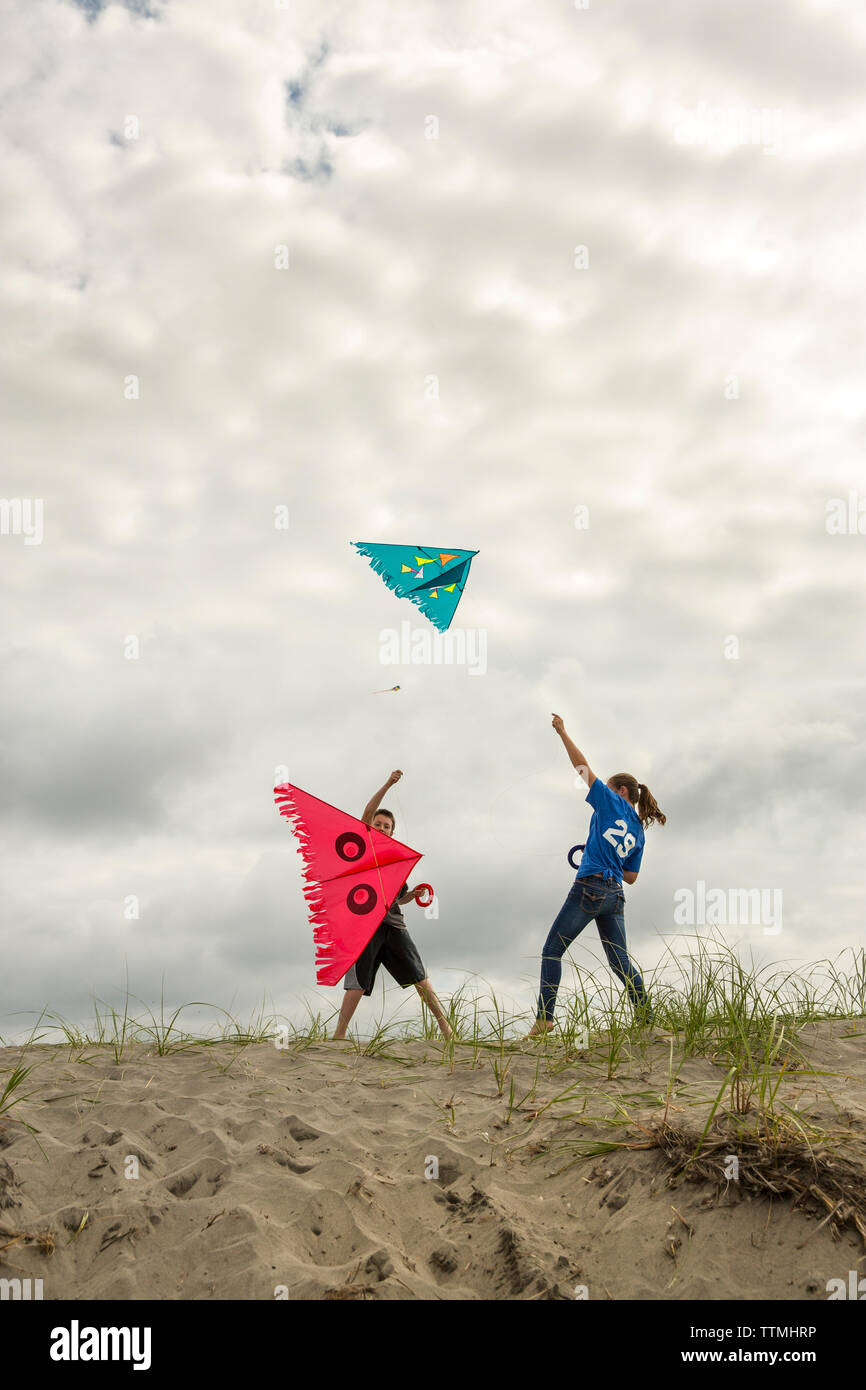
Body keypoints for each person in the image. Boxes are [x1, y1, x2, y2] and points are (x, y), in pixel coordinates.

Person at [527, 715, 666, 1036]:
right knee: (621, 962)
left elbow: (582, 768)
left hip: (589, 887)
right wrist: (603, 854)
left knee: (552, 951)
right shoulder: (639, 831)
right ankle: (646, 1019)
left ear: (620, 790)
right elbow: (631, 876)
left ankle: (544, 1019)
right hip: (615, 894)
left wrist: (563, 732)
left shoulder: (610, 801)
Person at [332, 770, 453, 1041]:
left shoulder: (396, 860)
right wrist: (388, 783)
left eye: (387, 826)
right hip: (365, 926)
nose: (382, 827)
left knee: (421, 978)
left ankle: (446, 1028)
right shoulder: (362, 848)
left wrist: (414, 894)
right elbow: (367, 811)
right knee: (357, 985)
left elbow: (397, 899)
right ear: (371, 826)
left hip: (394, 925)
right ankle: (339, 1036)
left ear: (392, 832)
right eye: (378, 824)